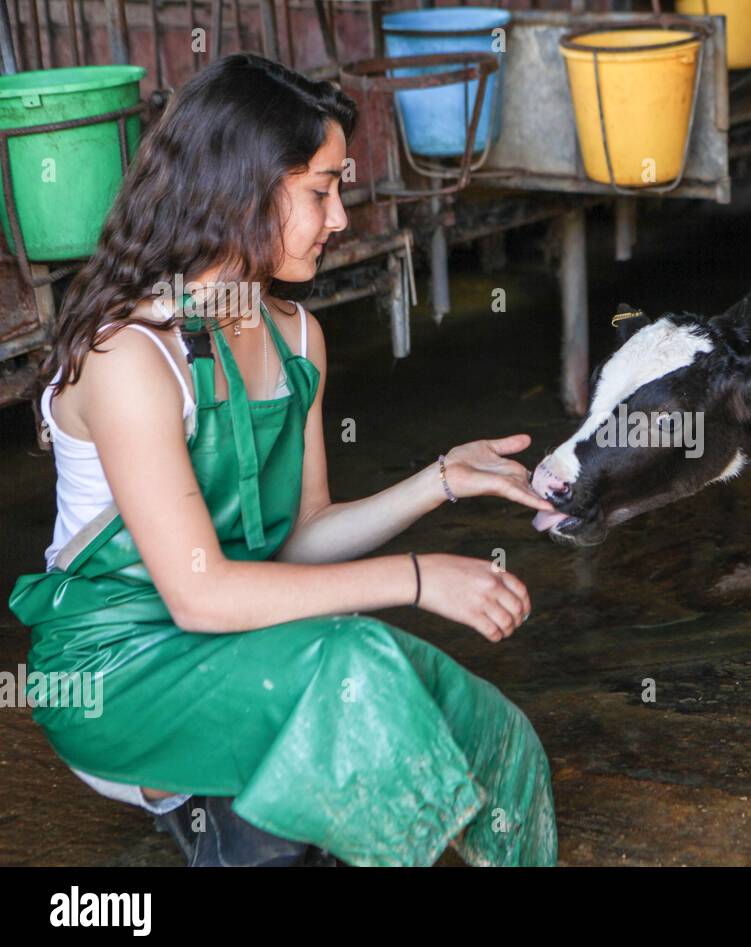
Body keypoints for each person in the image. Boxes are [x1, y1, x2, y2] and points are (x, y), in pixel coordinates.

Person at [7, 53, 560, 867]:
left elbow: (299, 537)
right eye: (319, 191)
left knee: (471, 714)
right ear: (240, 188)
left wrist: (439, 481)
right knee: (352, 661)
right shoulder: (131, 355)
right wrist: (417, 577)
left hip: (241, 644)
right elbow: (198, 596)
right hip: (115, 670)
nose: (340, 218)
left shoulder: (298, 337)